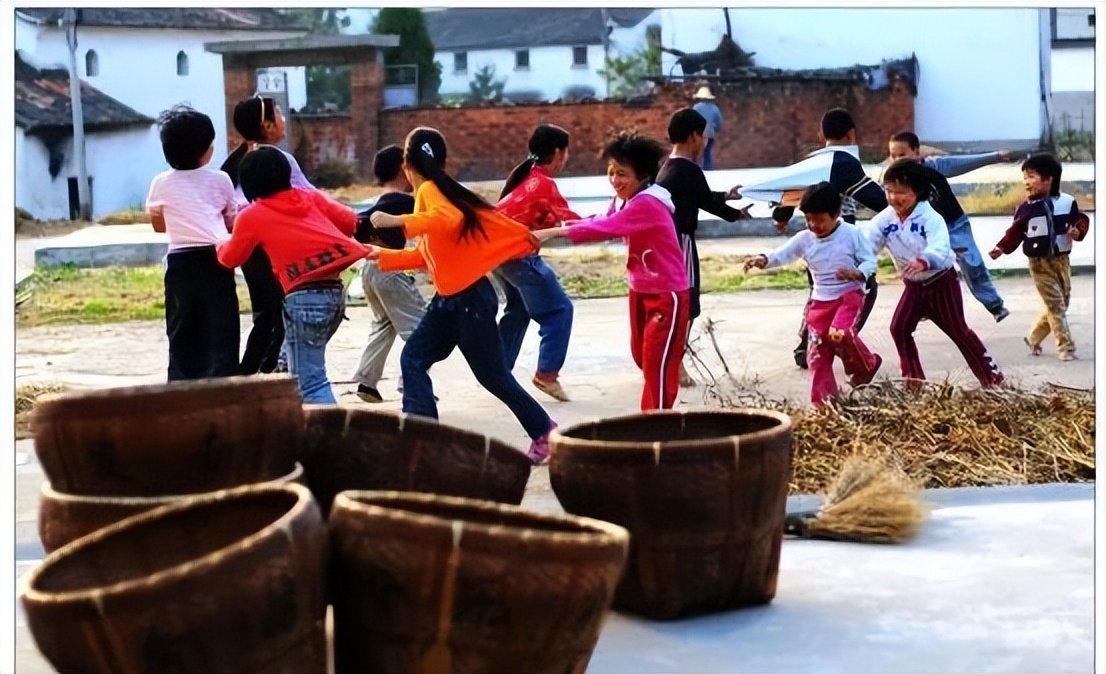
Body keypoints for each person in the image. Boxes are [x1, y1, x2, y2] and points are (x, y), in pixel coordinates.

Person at [366, 127, 557, 465]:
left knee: (493, 376)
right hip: (450, 301)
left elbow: (448, 220)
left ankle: (545, 432)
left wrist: (396, 220)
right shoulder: (439, 192)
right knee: (413, 359)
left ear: (406, 164)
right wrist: (379, 256)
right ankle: (423, 442)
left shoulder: (429, 191)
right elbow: (430, 256)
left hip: (469, 302)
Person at [534, 130, 690, 412]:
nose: (615, 181)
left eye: (622, 174)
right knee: (642, 357)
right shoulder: (625, 200)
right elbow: (602, 219)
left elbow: (604, 228)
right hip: (640, 291)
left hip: (667, 294)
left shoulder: (648, 203)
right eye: (611, 173)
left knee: (657, 366)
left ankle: (654, 426)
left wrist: (553, 232)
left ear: (642, 176)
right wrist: (560, 223)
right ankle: (657, 416)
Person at [736, 107, 887, 370]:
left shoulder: (814, 161)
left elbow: (796, 190)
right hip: (842, 241)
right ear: (852, 134)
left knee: (819, 293)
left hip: (814, 244)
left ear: (821, 134)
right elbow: (875, 198)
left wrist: (781, 216)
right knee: (863, 289)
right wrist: (899, 204)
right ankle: (836, 342)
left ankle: (808, 344)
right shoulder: (844, 162)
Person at [216, 146, 364, 404]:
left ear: (248, 184)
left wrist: (218, 243)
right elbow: (351, 223)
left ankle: (329, 439)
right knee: (290, 367)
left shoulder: (251, 216)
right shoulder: (311, 198)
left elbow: (230, 258)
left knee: (311, 383)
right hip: (335, 296)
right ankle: (290, 426)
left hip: (304, 301)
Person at [866, 160, 1004, 390]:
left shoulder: (931, 217)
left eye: (901, 192)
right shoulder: (885, 219)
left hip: (941, 282)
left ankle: (993, 379)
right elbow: (867, 244)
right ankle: (913, 382)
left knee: (958, 331)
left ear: (917, 192)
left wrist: (924, 260)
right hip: (913, 286)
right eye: (888, 190)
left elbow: (940, 247)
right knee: (899, 329)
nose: (893, 198)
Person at [744, 183, 882, 406]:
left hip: (848, 296)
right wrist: (763, 259)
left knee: (841, 334)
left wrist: (858, 273)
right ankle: (824, 405)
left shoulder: (852, 234)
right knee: (817, 356)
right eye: (809, 219)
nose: (813, 225)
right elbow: (782, 254)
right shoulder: (804, 238)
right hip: (820, 302)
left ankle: (867, 365)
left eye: (819, 220)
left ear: (836, 215)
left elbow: (870, 261)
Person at [222, 94, 317, 375]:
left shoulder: (237, 161)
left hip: (249, 247)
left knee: (266, 313)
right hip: (272, 247)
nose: (283, 119)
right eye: (278, 114)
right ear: (267, 124)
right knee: (280, 310)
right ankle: (262, 370)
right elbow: (308, 197)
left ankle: (253, 371)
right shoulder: (278, 159)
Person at [145, 104, 240, 382]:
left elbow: (158, 225)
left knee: (181, 329)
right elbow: (231, 221)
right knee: (221, 329)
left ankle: (181, 388)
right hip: (217, 259)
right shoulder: (220, 179)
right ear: (207, 149)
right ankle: (223, 387)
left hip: (180, 263)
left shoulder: (160, 183)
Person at [656, 108, 751, 386]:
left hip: (666, 243)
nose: (706, 142)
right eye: (704, 136)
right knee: (687, 304)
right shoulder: (688, 168)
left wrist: (726, 196)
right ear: (694, 136)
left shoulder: (670, 165)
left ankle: (666, 359)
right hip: (680, 244)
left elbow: (698, 196)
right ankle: (676, 364)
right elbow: (708, 203)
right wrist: (736, 213)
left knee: (674, 303)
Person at [494, 124, 580, 402]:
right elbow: (570, 220)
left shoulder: (527, 176)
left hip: (497, 255)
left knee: (518, 310)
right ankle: (547, 374)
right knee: (559, 310)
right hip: (517, 257)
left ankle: (497, 372)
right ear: (558, 153)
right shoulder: (543, 183)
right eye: (566, 152)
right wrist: (612, 223)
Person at [888, 131, 1012, 322]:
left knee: (973, 265)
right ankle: (923, 307)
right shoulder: (894, 181)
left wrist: (995, 156)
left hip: (954, 225)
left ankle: (994, 304)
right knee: (920, 269)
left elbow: (961, 163)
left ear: (917, 152)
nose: (897, 160)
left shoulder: (934, 167)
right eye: (893, 156)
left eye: (902, 154)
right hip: (925, 234)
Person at [988, 153, 1089, 361]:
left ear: (1049, 179)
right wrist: (1001, 247)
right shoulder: (1025, 209)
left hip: (1062, 260)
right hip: (1039, 263)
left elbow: (1079, 223)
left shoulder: (1067, 202)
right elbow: (1014, 232)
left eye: (1031, 176)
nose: (1026, 182)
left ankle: (1033, 337)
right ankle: (1066, 347)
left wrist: (1077, 233)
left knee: (1062, 303)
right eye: (1024, 176)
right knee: (1056, 305)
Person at [351, 145, 428, 403]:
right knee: (422, 329)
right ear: (401, 170)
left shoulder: (381, 203)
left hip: (370, 270)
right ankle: (412, 386)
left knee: (384, 324)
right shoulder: (407, 202)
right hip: (391, 268)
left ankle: (366, 380)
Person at [692, 85, 724, 170]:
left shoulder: (696, 107)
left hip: (698, 134)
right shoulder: (715, 108)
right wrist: (715, 128)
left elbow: (692, 120)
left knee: (696, 152)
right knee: (707, 153)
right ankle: (708, 169)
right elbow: (719, 123)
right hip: (710, 133)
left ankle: (695, 169)